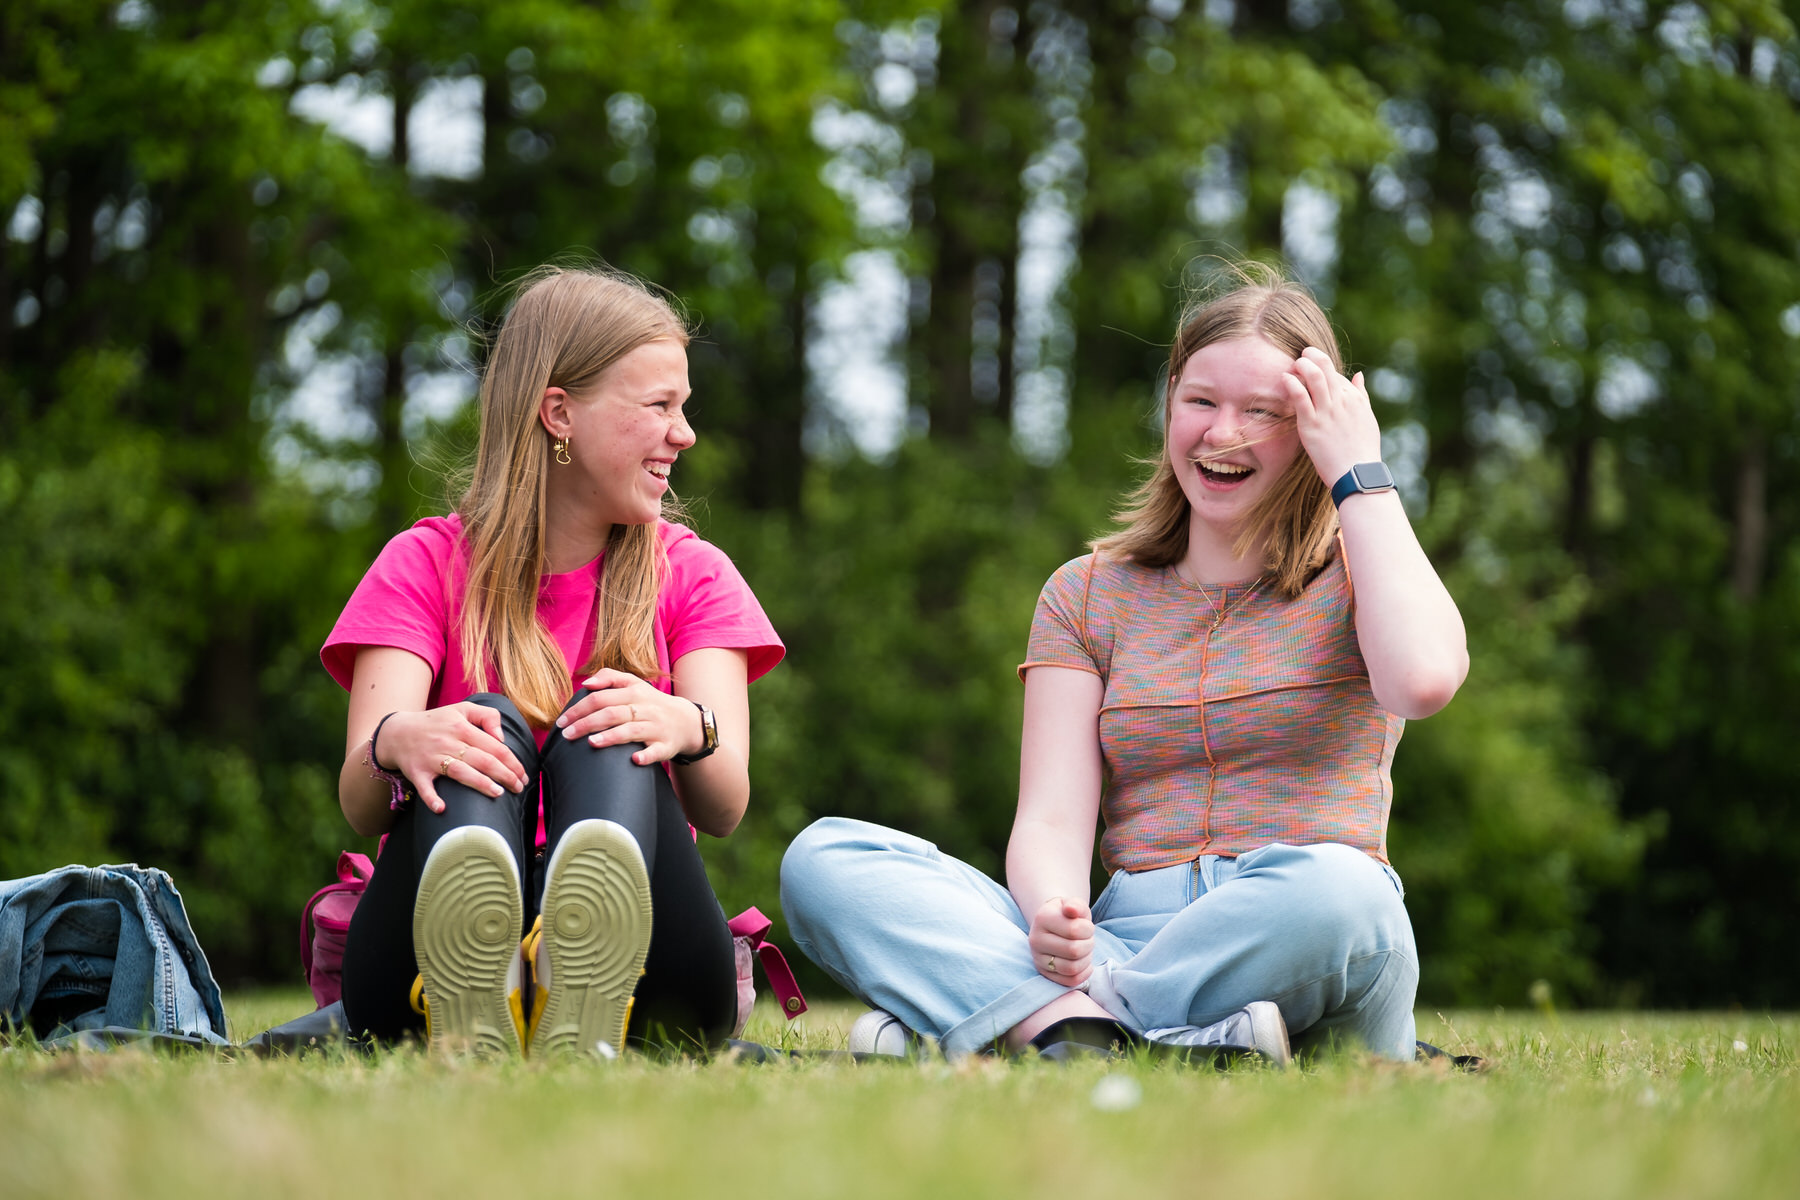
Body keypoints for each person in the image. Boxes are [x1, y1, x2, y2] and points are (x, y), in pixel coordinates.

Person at [780, 266, 1467, 1063]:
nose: (1222, 433)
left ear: (1315, 425)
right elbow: (1048, 821)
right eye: (1200, 401)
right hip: (1125, 936)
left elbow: (1421, 681)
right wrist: (1057, 913)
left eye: (1264, 412)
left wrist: (1359, 471)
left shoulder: (1365, 566)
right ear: (1169, 403)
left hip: (1299, 934)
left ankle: (1052, 1025)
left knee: (1344, 893)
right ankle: (1161, 1040)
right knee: (827, 860)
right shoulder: (1087, 594)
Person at [322, 265, 783, 1056]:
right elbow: (363, 805)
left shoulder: (694, 573)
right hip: (410, 980)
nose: (685, 433)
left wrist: (686, 725)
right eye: (659, 407)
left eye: (685, 408)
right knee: (488, 727)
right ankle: (479, 983)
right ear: (559, 413)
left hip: (655, 980)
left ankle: (583, 977)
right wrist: (396, 741)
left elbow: (725, 807)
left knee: (614, 718)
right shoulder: (424, 564)